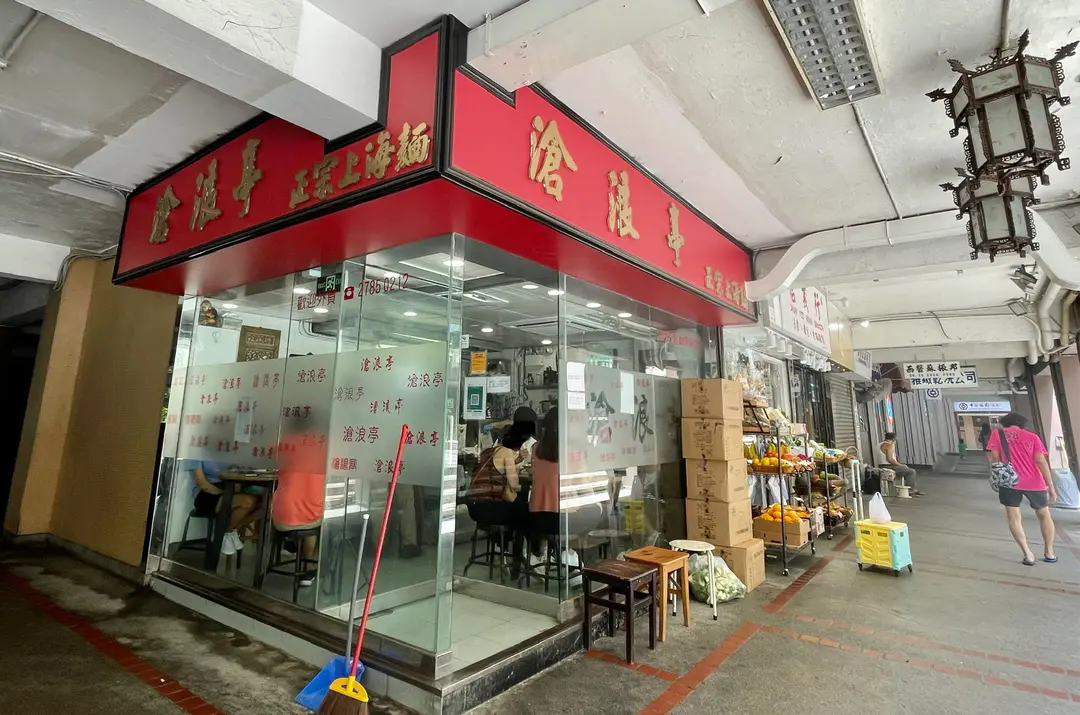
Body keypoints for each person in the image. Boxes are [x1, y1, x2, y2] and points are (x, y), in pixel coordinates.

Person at [986, 412, 1058, 565]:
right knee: (1044, 514)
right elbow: (1040, 461)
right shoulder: (1033, 437)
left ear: (1004, 423)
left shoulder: (997, 434)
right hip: (1035, 482)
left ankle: (1028, 554)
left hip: (1009, 481)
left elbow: (993, 457)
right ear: (1022, 424)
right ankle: (1049, 552)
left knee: (1014, 518)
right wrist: (1050, 485)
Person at [189, 460, 262, 556]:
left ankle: (229, 531)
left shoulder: (227, 454)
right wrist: (224, 493)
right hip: (206, 494)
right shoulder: (197, 456)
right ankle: (225, 534)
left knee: (263, 505)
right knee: (248, 501)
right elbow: (201, 482)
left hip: (228, 488)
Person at [528, 408, 560, 565]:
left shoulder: (535, 448)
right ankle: (567, 555)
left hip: (538, 517)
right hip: (562, 518)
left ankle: (538, 555)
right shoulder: (567, 450)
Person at [879, 432, 923, 496]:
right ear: (894, 439)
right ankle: (911, 490)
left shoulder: (879, 444)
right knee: (911, 471)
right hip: (888, 466)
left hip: (881, 466)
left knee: (905, 469)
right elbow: (890, 459)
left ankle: (912, 488)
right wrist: (900, 465)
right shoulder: (889, 445)